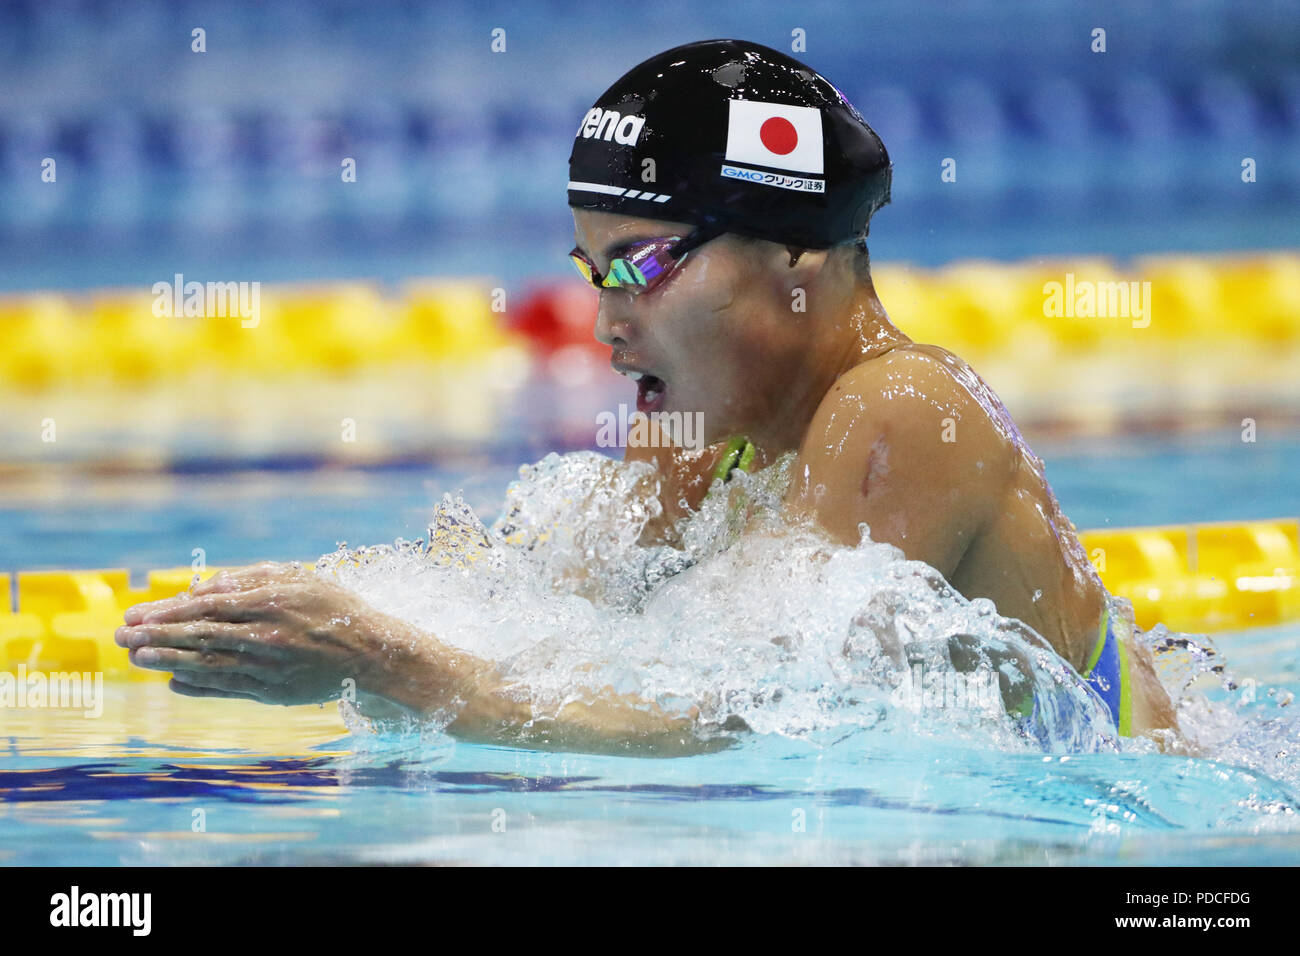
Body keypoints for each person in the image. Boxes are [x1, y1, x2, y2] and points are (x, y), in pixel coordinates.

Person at [116, 39, 1181, 754]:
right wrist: (318, 612)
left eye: (641, 264)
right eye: (592, 271)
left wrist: (380, 659)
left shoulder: (902, 408)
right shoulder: (700, 430)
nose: (604, 321)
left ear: (793, 254)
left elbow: (738, 719)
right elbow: (565, 626)